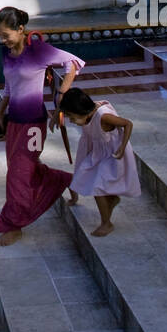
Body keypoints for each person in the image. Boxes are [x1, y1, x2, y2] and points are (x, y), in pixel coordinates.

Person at [0, 6, 85, 246]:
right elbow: (10, 87)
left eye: (5, 35)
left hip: (33, 123)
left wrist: (62, 93)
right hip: (14, 122)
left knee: (17, 174)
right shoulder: (7, 53)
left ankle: (14, 225)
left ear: (20, 29)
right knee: (24, 168)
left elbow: (73, 62)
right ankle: (65, 180)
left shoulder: (38, 51)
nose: (2, 40)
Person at [60, 86, 140, 236]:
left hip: (112, 154)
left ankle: (106, 223)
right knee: (89, 179)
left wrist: (122, 147)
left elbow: (128, 123)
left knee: (97, 186)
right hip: (98, 152)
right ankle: (111, 200)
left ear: (81, 110)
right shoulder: (87, 113)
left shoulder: (104, 117)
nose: (71, 121)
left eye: (71, 116)